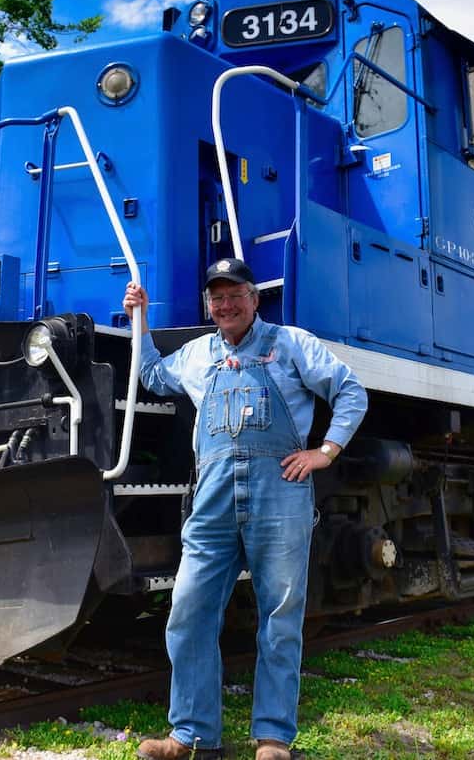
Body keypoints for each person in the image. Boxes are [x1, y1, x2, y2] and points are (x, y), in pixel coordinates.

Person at [125, 258, 368, 760]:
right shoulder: (195, 356)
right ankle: (191, 735)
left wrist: (324, 452)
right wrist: (140, 319)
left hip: (279, 497)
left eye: (236, 293)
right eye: (217, 296)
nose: (226, 304)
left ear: (255, 299)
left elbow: (350, 391)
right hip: (212, 502)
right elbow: (150, 373)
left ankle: (274, 738)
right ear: (208, 305)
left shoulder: (291, 344)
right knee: (188, 611)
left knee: (279, 618)